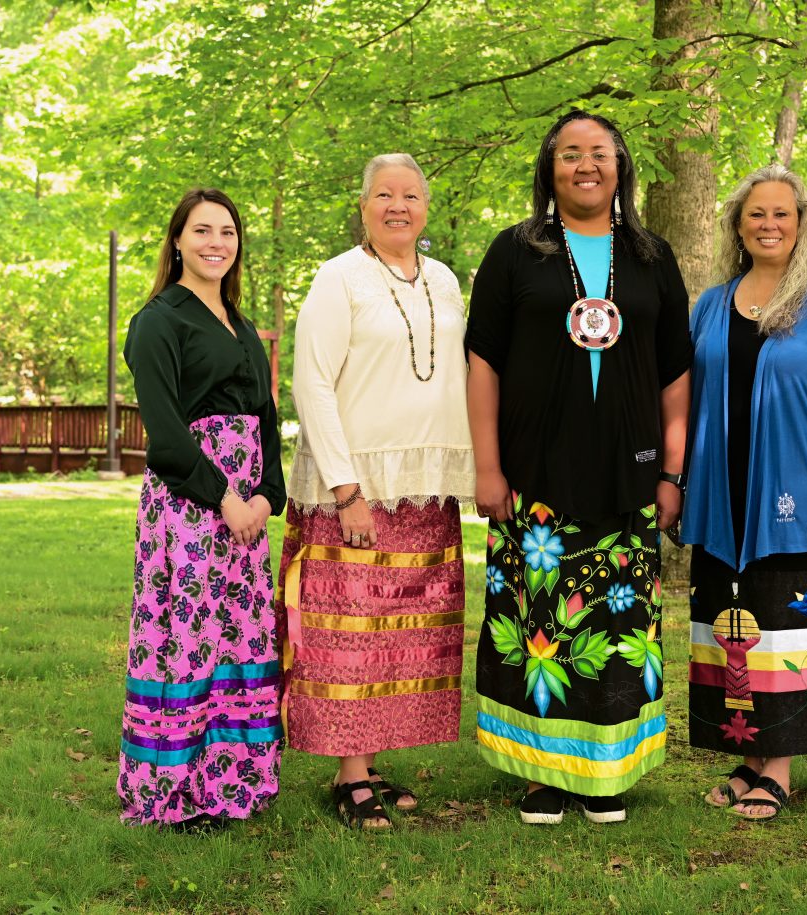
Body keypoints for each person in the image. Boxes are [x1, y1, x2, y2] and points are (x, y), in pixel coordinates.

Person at [466, 110, 692, 825]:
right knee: (539, 624)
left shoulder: (654, 256)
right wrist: (488, 466)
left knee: (618, 626)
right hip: (533, 478)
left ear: (621, 167)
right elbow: (483, 364)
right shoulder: (513, 252)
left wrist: (672, 473)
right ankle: (541, 775)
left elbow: (675, 375)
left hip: (628, 477)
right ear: (549, 169)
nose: (584, 165)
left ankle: (608, 770)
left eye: (599, 153)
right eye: (569, 154)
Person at [280, 153, 474, 830]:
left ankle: (372, 761)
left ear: (426, 206)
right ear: (362, 205)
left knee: (403, 636)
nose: (399, 205)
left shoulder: (445, 280)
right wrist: (346, 488)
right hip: (356, 487)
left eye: (411, 195)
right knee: (353, 634)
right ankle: (349, 775)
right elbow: (313, 384)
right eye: (384, 194)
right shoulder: (339, 278)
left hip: (423, 491)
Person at [680, 164, 807, 822]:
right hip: (718, 492)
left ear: (800, 224)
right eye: (756, 213)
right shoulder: (710, 305)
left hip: (796, 493)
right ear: (738, 224)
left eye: (781, 214)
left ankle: (780, 764)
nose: (768, 224)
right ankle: (747, 753)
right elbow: (684, 400)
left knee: (787, 626)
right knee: (728, 623)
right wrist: (676, 481)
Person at [117, 188, 286, 827]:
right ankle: (172, 792)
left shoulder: (240, 324)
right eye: (203, 231)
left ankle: (233, 781)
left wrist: (268, 494)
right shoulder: (159, 320)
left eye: (228, 232)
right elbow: (164, 433)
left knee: (237, 638)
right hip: (192, 501)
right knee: (185, 640)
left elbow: (266, 417)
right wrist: (226, 498)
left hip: (249, 509)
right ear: (179, 240)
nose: (217, 242)